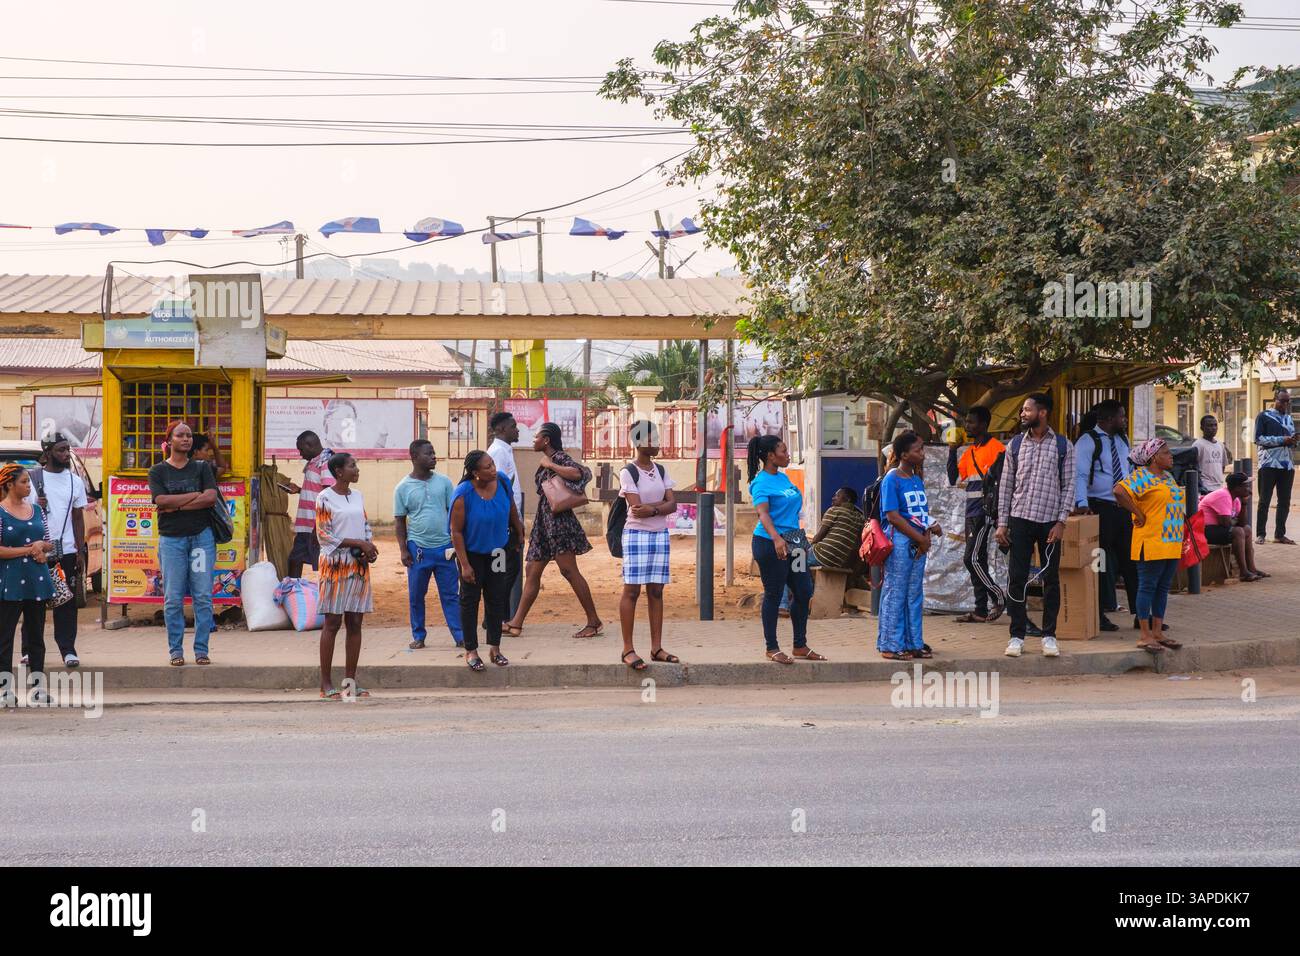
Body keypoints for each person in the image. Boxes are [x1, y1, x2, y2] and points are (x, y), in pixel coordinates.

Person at [503, 422, 603, 640]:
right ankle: (516, 622)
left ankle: (593, 621)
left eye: (537, 436)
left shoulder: (558, 458)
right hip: (544, 524)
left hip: (559, 524)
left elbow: (580, 473)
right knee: (532, 570)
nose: (533, 440)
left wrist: (550, 464)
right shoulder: (549, 460)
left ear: (546, 440)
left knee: (569, 571)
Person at [995, 392, 1075, 659]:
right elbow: (1006, 486)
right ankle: (1017, 635)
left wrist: (1062, 522)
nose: (1022, 414)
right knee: (1016, 579)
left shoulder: (1063, 446)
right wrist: (1002, 523)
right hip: (1019, 519)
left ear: (1042, 413)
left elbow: (1069, 486)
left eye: (1027, 410)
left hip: (1050, 522)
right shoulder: (1016, 445)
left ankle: (1049, 635)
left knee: (1050, 579)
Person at [748, 434, 825, 664]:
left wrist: (798, 539)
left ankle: (800, 645)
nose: (788, 454)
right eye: (783, 450)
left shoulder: (783, 478)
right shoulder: (760, 483)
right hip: (771, 542)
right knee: (773, 593)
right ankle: (772, 647)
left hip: (794, 539)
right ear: (770, 456)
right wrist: (776, 539)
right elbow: (763, 514)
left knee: (804, 590)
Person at [147, 421, 218, 666]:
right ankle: (175, 651)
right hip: (171, 540)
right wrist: (192, 496)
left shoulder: (201, 467)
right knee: (173, 598)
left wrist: (174, 505)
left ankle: (201, 650)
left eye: (188, 435)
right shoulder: (157, 471)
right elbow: (160, 499)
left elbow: (210, 498)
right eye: (181, 435)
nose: (186, 439)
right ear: (170, 441)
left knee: (202, 596)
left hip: (201, 538)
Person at [450, 450, 525, 672]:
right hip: (472, 554)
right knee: (470, 600)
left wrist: (519, 531)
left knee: (497, 598)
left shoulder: (501, 480)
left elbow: (511, 507)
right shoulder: (463, 494)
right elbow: (456, 532)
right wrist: (464, 565)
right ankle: (471, 650)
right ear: (475, 473)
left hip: (497, 552)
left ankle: (495, 648)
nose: (493, 469)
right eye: (487, 467)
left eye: (492, 464)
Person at [616, 420, 678, 671]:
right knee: (631, 591)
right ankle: (628, 649)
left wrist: (653, 509)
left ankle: (656, 647)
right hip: (636, 536)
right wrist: (659, 508)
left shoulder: (661, 470)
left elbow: (672, 505)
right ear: (640, 442)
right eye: (653, 439)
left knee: (656, 591)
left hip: (659, 535)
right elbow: (636, 509)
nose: (658, 443)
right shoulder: (628, 472)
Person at [1114, 438, 1186, 655]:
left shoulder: (1169, 477)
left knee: (1163, 588)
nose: (1171, 455)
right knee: (1147, 586)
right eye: (1166, 453)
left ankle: (1157, 632)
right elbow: (1119, 491)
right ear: (1154, 457)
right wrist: (1137, 512)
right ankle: (1144, 634)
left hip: (1171, 541)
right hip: (1151, 540)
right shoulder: (1142, 477)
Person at [315, 453, 376, 699]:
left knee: (355, 623)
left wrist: (367, 548)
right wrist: (358, 543)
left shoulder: (357, 496)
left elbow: (365, 525)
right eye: (352, 466)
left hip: (357, 565)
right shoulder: (324, 498)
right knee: (332, 623)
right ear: (339, 472)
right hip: (335, 565)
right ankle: (325, 683)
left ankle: (350, 682)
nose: (357, 469)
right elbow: (324, 535)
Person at [1072, 398, 1136, 632]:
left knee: (1131, 563)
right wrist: (1081, 503)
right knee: (1099, 564)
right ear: (1109, 419)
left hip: (1122, 508)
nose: (1124, 420)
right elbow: (1079, 474)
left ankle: (1142, 616)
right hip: (1100, 508)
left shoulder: (1122, 439)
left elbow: (1128, 470)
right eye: (1121, 415)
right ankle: (1099, 615)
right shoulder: (1088, 441)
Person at [878, 432, 943, 660]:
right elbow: (893, 516)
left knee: (914, 594)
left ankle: (913, 642)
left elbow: (919, 513)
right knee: (896, 592)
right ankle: (890, 645)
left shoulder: (916, 479)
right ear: (904, 454)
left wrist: (930, 528)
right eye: (918, 450)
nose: (922, 454)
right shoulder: (891, 479)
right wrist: (919, 537)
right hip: (901, 542)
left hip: (918, 543)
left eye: (922, 449)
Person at [26, 432, 87, 667]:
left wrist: (80, 550)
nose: (65, 454)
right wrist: (34, 505)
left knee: (66, 602)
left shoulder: (75, 481)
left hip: (66, 551)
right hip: (35, 550)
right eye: (61, 450)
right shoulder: (32, 478)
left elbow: (78, 517)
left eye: (67, 449)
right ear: (48, 452)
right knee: (33, 602)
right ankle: (29, 649)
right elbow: (18, 509)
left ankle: (68, 650)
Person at [394, 439, 462, 649]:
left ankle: (460, 636)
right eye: (428, 453)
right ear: (414, 458)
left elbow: (454, 515)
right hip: (418, 550)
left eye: (433, 452)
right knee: (416, 595)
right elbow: (399, 521)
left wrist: (457, 545)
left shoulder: (444, 482)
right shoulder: (403, 488)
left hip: (444, 549)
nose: (434, 456)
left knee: (451, 594)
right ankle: (419, 635)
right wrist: (404, 550)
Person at [0, 463, 56, 704]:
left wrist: (41, 547)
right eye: (23, 482)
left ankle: (38, 688)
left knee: (36, 637)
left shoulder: (36, 510)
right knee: (4, 638)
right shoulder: (0, 512)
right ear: (9, 484)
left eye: (28, 482)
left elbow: (49, 542)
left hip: (36, 581)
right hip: (10, 582)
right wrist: (29, 549)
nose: (28, 486)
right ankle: (4, 689)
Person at [946, 405, 1006, 623]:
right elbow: (953, 478)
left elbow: (1002, 485)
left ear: (983, 424)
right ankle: (980, 610)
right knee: (976, 558)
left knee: (970, 558)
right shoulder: (969, 451)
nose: (966, 426)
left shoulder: (998, 449)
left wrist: (1000, 515)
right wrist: (953, 450)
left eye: (971, 422)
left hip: (985, 512)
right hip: (971, 511)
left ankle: (998, 597)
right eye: (966, 422)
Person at [280, 431, 335, 578]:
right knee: (295, 560)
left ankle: (323, 596)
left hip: (315, 525)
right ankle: (294, 594)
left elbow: (328, 497)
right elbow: (317, 491)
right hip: (306, 524)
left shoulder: (326, 463)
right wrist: (299, 490)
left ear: (309, 445)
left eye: (301, 450)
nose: (300, 454)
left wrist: (318, 526)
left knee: (323, 563)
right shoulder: (315, 462)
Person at [486, 411, 523, 617]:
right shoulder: (498, 453)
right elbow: (499, 489)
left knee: (509, 569)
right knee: (501, 571)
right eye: (513, 426)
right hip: (503, 525)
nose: (517, 430)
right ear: (501, 429)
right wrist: (512, 522)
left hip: (508, 522)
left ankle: (500, 614)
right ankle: (496, 615)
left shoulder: (505, 450)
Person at [1200, 473, 1267, 582]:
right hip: (1204, 530)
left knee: (1247, 529)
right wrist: (1235, 523)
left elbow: (1242, 523)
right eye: (1246, 486)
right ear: (1237, 488)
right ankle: (1243, 572)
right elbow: (1225, 524)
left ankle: (1252, 569)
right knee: (1238, 532)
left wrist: (1244, 503)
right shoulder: (1223, 496)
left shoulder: (1235, 499)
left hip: (1216, 528)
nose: (1248, 489)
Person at [1253, 388, 1296, 545]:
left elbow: (1290, 440)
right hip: (1268, 464)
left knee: (1284, 501)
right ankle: (1260, 534)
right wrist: (1281, 440)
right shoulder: (1264, 416)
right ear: (1275, 399)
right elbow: (1258, 439)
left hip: (1287, 465)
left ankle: (1279, 534)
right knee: (1264, 500)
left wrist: (1292, 441)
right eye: (1282, 400)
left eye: (1287, 401)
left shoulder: (1289, 419)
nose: (1285, 404)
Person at [1193, 415, 1232, 493]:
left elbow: (1222, 466)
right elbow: (1194, 467)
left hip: (1218, 487)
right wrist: (1200, 486)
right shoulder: (1198, 445)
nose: (1214, 428)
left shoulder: (1220, 445)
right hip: (1205, 488)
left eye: (1215, 425)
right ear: (1202, 428)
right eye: (1210, 425)